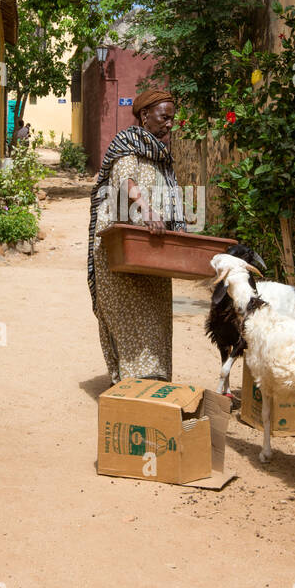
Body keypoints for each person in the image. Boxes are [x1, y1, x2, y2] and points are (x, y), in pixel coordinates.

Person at [88, 89, 185, 383]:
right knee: (127, 317)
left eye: (172, 118)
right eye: (164, 117)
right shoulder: (127, 146)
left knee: (155, 317)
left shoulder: (160, 157)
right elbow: (124, 181)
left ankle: (153, 382)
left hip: (153, 248)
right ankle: (129, 386)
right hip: (120, 246)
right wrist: (146, 209)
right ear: (145, 116)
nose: (169, 124)